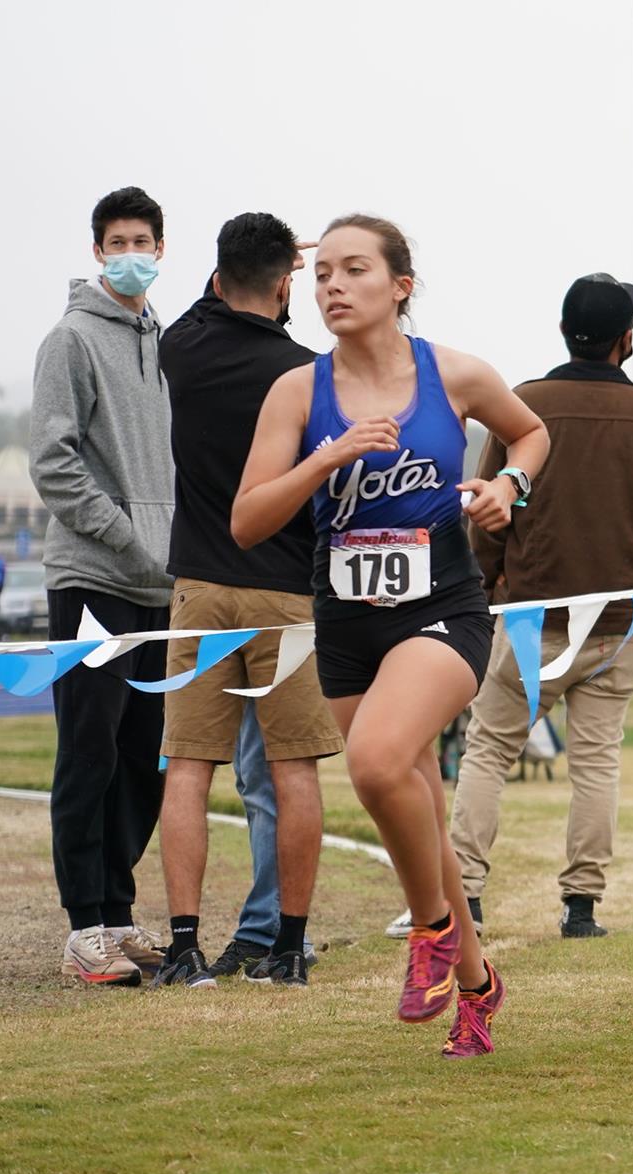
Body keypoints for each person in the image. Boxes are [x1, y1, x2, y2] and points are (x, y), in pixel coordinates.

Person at [233, 214, 549, 1058]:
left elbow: (530, 431)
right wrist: (325, 460)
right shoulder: (299, 392)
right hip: (344, 621)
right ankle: (479, 988)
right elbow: (246, 520)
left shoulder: (455, 373)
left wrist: (507, 484)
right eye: (323, 273)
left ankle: (433, 933)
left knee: (375, 763)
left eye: (355, 270)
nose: (334, 286)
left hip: (441, 607)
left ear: (400, 285)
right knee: (417, 811)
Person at [437, 274, 633, 942]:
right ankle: (582, 905)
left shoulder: (524, 406)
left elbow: (488, 515)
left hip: (528, 619)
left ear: (563, 330)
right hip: (617, 626)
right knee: (597, 762)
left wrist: (488, 587)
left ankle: (467, 893)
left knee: (488, 751)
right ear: (625, 339)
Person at [153, 212, 344, 987]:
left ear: (216, 275)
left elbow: (211, 299)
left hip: (200, 584)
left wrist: (241, 265)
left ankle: (184, 944)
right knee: (295, 769)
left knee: (189, 767)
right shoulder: (305, 373)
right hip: (287, 591)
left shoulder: (182, 349)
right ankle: (288, 946)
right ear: (288, 283)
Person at [29, 186, 175, 985]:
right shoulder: (70, 339)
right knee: (87, 751)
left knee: (141, 756)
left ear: (161, 248)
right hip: (92, 579)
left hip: (160, 587)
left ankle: (118, 914)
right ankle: (83, 925)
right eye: (117, 239)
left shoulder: (161, 342)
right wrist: (127, 537)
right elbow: (52, 462)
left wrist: (171, 550)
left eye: (143, 239)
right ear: (96, 251)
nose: (131, 252)